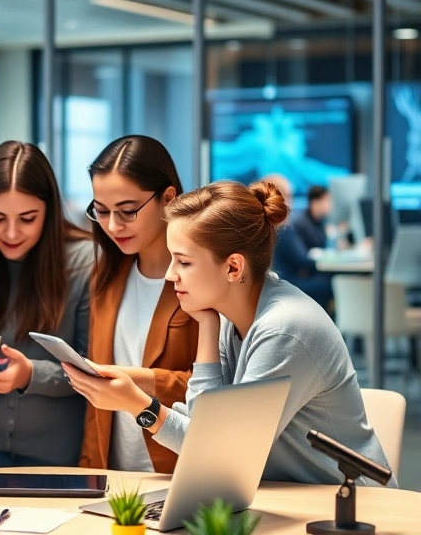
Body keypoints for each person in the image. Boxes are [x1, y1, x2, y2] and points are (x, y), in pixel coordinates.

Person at [64, 180, 396, 487]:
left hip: (350, 508)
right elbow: (206, 425)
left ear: (233, 267)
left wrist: (140, 405)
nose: (169, 275)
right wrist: (207, 326)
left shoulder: (284, 330)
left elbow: (220, 457)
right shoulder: (231, 317)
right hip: (291, 499)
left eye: (183, 262)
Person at [0, 141, 94, 470]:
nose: (12, 233)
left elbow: (93, 370)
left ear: (49, 212)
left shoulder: (84, 262)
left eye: (28, 218)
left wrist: (30, 375)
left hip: (57, 449)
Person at [80, 135, 198, 474]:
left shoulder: (202, 279)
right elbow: (95, 409)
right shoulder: (106, 275)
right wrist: (90, 467)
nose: (114, 226)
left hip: (178, 470)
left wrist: (131, 379)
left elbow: (218, 392)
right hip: (111, 473)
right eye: (101, 211)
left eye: (128, 211)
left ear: (168, 198)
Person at [266, 175, 333, 309]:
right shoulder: (283, 229)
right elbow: (301, 260)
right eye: (289, 196)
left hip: (270, 286)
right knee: (329, 284)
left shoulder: (262, 228)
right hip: (288, 284)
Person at [292, 185, 331, 251]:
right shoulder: (301, 224)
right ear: (315, 203)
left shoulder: (320, 221)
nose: (329, 205)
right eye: (326, 200)